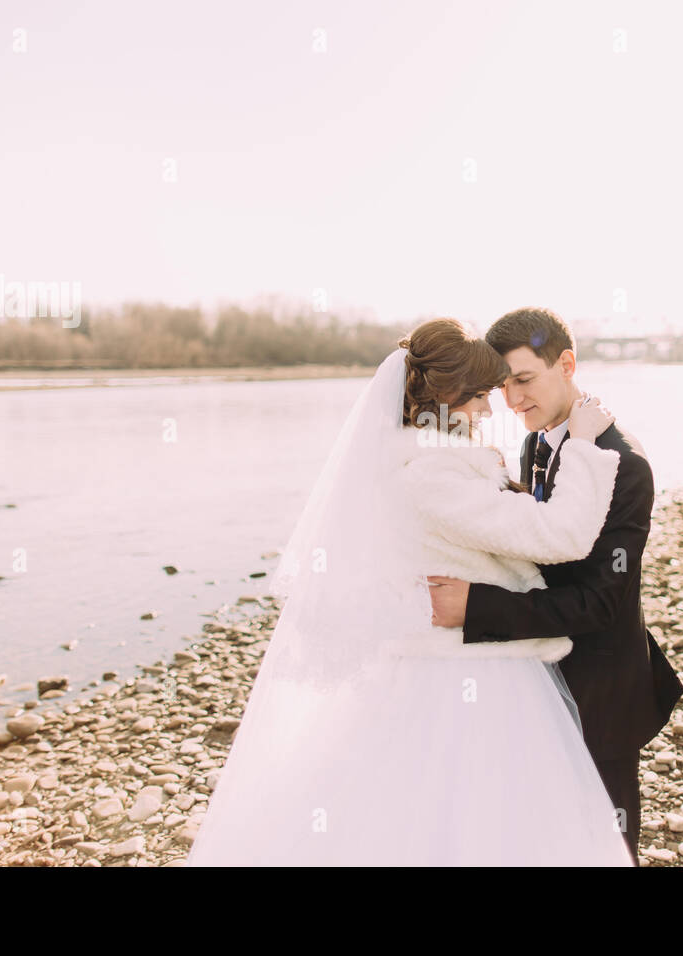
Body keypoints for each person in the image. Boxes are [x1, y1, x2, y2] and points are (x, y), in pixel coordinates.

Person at [186, 317, 634, 865]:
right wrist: (586, 445)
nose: (493, 410)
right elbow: (558, 535)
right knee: (484, 817)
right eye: (478, 397)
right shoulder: (434, 474)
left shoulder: (430, 465)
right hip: (471, 674)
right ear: (445, 398)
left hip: (445, 662)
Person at [428, 307, 683, 860]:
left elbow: (598, 602)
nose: (513, 401)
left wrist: (475, 608)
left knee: (606, 843)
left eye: (524, 380)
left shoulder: (623, 463)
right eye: (502, 388)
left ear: (566, 364)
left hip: (601, 689)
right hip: (535, 680)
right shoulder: (535, 445)